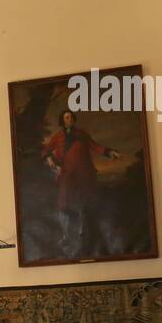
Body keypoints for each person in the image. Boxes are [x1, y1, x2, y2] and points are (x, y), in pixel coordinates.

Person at [40, 110, 122, 257]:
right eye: (66, 117)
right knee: (64, 204)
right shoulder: (57, 136)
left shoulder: (82, 133)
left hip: (85, 173)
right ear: (62, 120)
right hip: (67, 174)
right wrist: (50, 160)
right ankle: (66, 235)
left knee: (85, 203)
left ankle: (84, 234)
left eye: (71, 117)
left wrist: (110, 152)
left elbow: (94, 145)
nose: (69, 119)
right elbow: (46, 150)